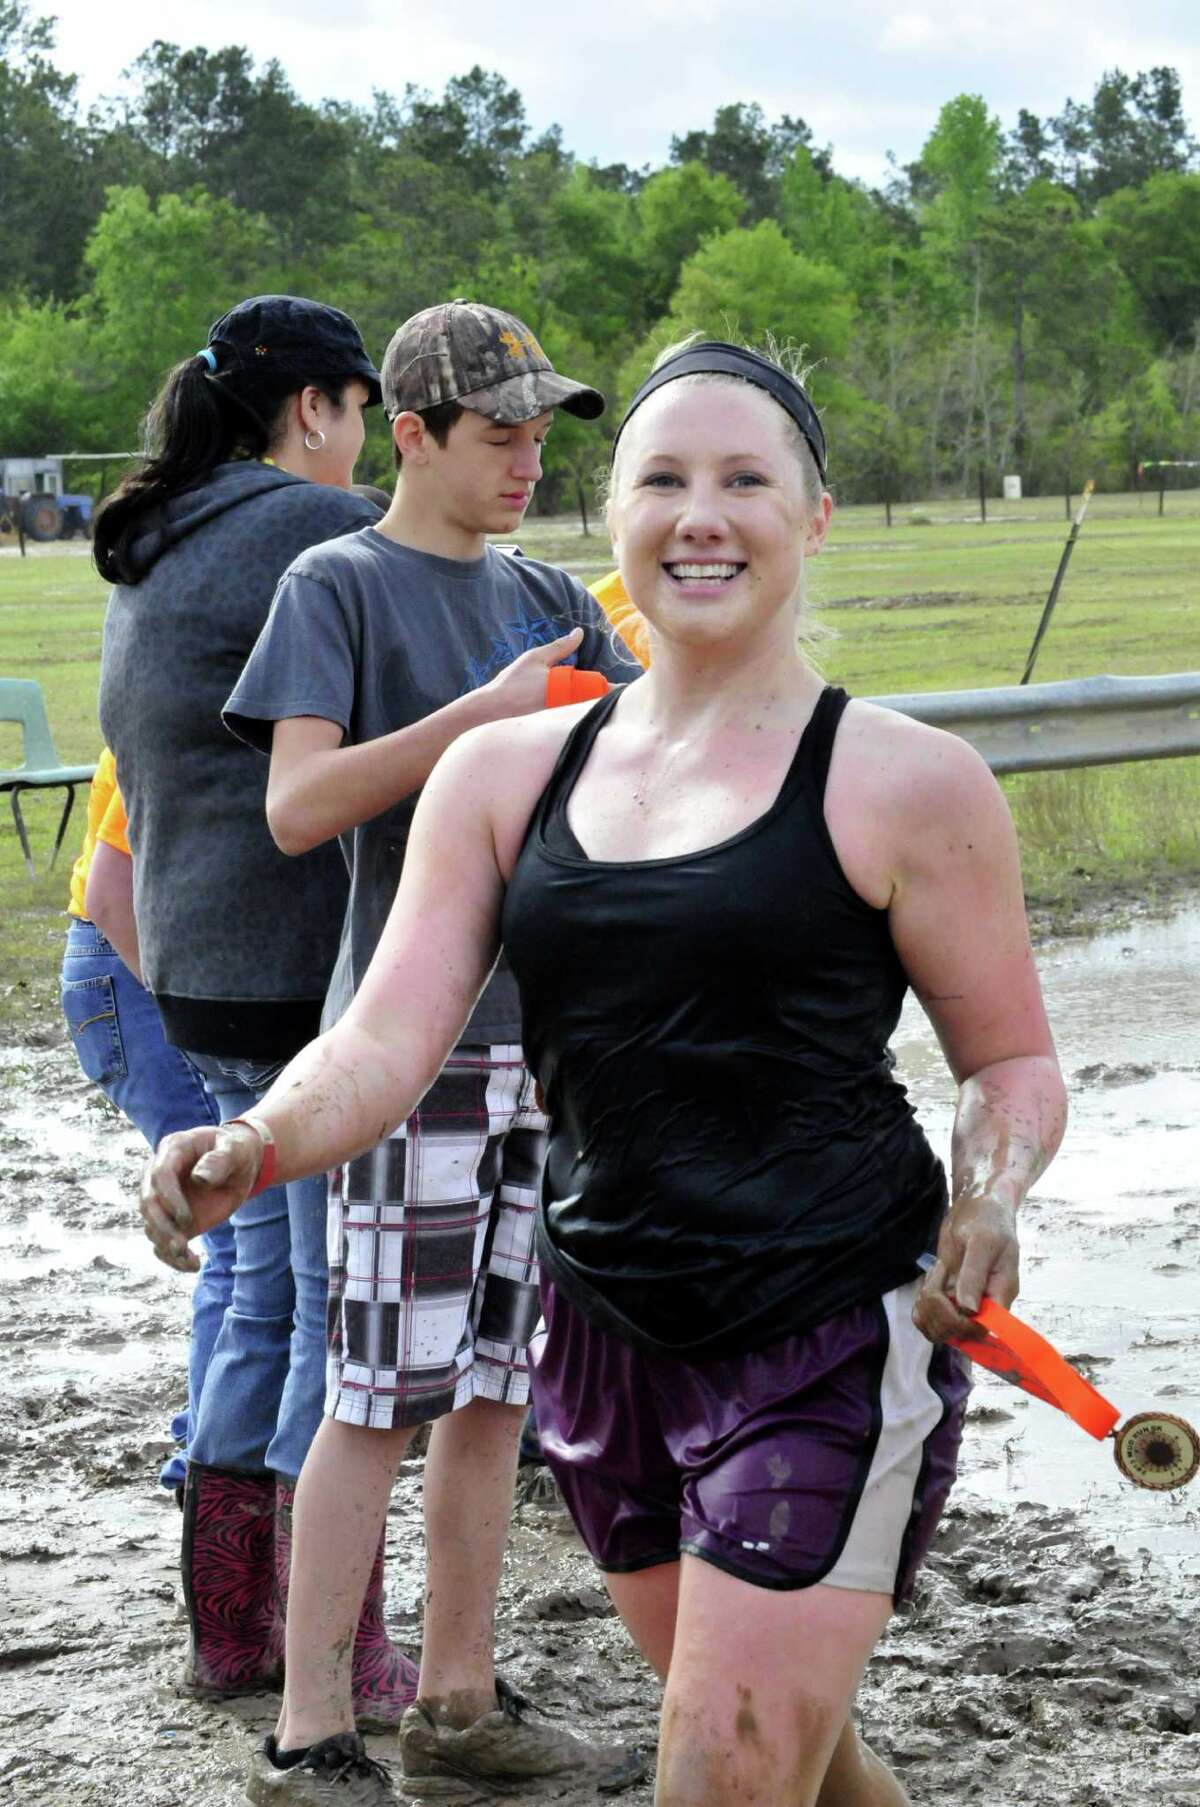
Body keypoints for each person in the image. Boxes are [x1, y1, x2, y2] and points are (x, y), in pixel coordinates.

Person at [141, 337, 1068, 1807]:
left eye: (746, 479)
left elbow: (1009, 1057)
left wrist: (993, 1184)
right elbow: (388, 1034)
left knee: (717, 1764)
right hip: (603, 1337)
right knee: (792, 1762)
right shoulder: (507, 774)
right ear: (615, 516)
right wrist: (257, 1137)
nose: (702, 513)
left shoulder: (906, 778)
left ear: (813, 514)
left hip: (830, 1324)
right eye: (664, 479)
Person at [217, 299, 639, 1802]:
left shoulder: (553, 594)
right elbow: (297, 805)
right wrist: (488, 712)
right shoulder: (335, 582)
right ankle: (312, 1724)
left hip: (550, 1047)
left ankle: (459, 1701)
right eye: (500, 432)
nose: (529, 458)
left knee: (499, 1386)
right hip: (411, 1051)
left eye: (542, 433)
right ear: (412, 435)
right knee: (377, 1388)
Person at [96, 296, 416, 1725]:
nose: (363, 447)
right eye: (363, 416)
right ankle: (324, 1634)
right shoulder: (298, 528)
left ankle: (229, 1617)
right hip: (290, 977)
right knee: (324, 1304)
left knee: (253, 1288)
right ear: (316, 411)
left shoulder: (165, 531)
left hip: (195, 970)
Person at [60, 748, 231, 1492]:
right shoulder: (183, 682)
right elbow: (109, 893)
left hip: (147, 966)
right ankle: (210, 1457)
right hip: (129, 972)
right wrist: (194, 1018)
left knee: (245, 1229)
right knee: (239, 1227)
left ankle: (213, 1432)